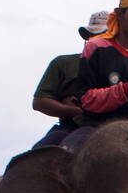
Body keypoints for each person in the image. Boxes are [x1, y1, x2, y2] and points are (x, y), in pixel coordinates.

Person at [61, 0, 128, 153]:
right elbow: (86, 100)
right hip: (93, 128)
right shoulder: (95, 49)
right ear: (119, 15)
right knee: (65, 155)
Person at [30, 10, 109, 149]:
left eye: (104, 36)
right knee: (38, 154)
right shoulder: (63, 63)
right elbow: (39, 102)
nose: (97, 40)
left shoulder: (127, 64)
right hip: (70, 128)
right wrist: (74, 112)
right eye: (92, 35)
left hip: (116, 128)